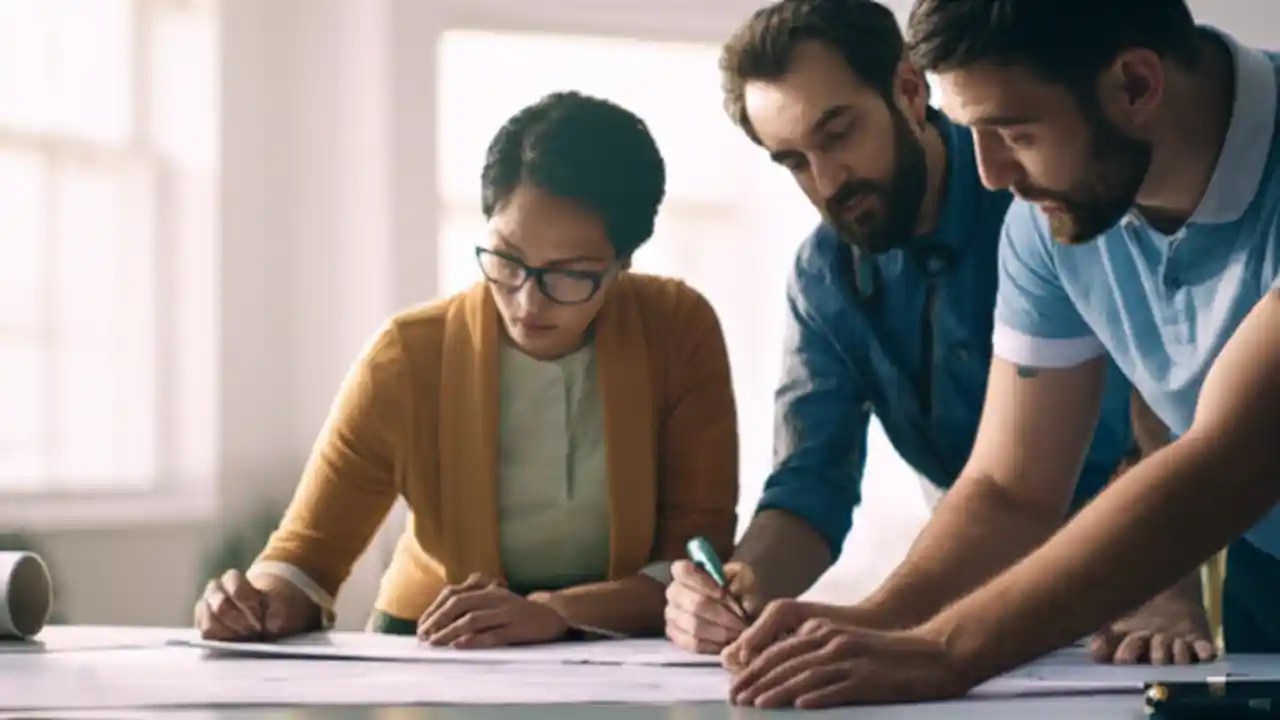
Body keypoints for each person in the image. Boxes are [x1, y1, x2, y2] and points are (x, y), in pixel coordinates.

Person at [720, 0, 1280, 708]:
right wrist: (882, 621)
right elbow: (1010, 490)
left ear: (1136, 85)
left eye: (1013, 131)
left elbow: (1230, 462)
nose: (989, 174)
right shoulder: (1049, 222)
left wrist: (945, 649)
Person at [194, 91, 740, 646]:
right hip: (434, 638)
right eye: (506, 259)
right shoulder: (408, 355)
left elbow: (694, 556)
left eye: (570, 274)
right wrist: (256, 604)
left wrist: (554, 610)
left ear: (623, 263)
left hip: (618, 644)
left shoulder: (676, 329)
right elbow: (304, 558)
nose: (527, 302)